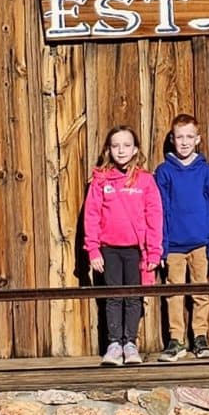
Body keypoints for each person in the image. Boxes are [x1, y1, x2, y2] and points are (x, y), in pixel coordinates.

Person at [83, 125, 163, 366]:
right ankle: (114, 344)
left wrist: (154, 251)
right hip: (109, 250)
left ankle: (130, 343)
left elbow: (154, 215)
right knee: (113, 297)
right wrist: (93, 249)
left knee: (134, 297)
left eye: (126, 145)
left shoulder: (145, 180)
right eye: (116, 145)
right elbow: (92, 215)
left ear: (135, 149)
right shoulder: (100, 181)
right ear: (109, 149)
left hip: (136, 250)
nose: (121, 150)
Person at [154, 112, 209, 361]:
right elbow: (158, 210)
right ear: (172, 139)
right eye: (179, 137)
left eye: (189, 137)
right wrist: (160, 246)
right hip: (173, 245)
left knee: (200, 291)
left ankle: (200, 338)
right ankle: (176, 340)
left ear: (198, 139)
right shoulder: (164, 171)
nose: (184, 142)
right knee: (173, 292)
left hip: (200, 244)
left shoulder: (205, 172)